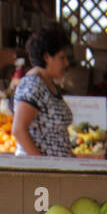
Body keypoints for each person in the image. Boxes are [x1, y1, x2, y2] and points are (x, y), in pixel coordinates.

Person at [12, 24, 74, 158]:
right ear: (47, 57)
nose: (66, 63)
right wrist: (44, 166)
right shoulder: (33, 85)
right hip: (40, 175)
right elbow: (18, 130)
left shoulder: (48, 84)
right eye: (62, 58)